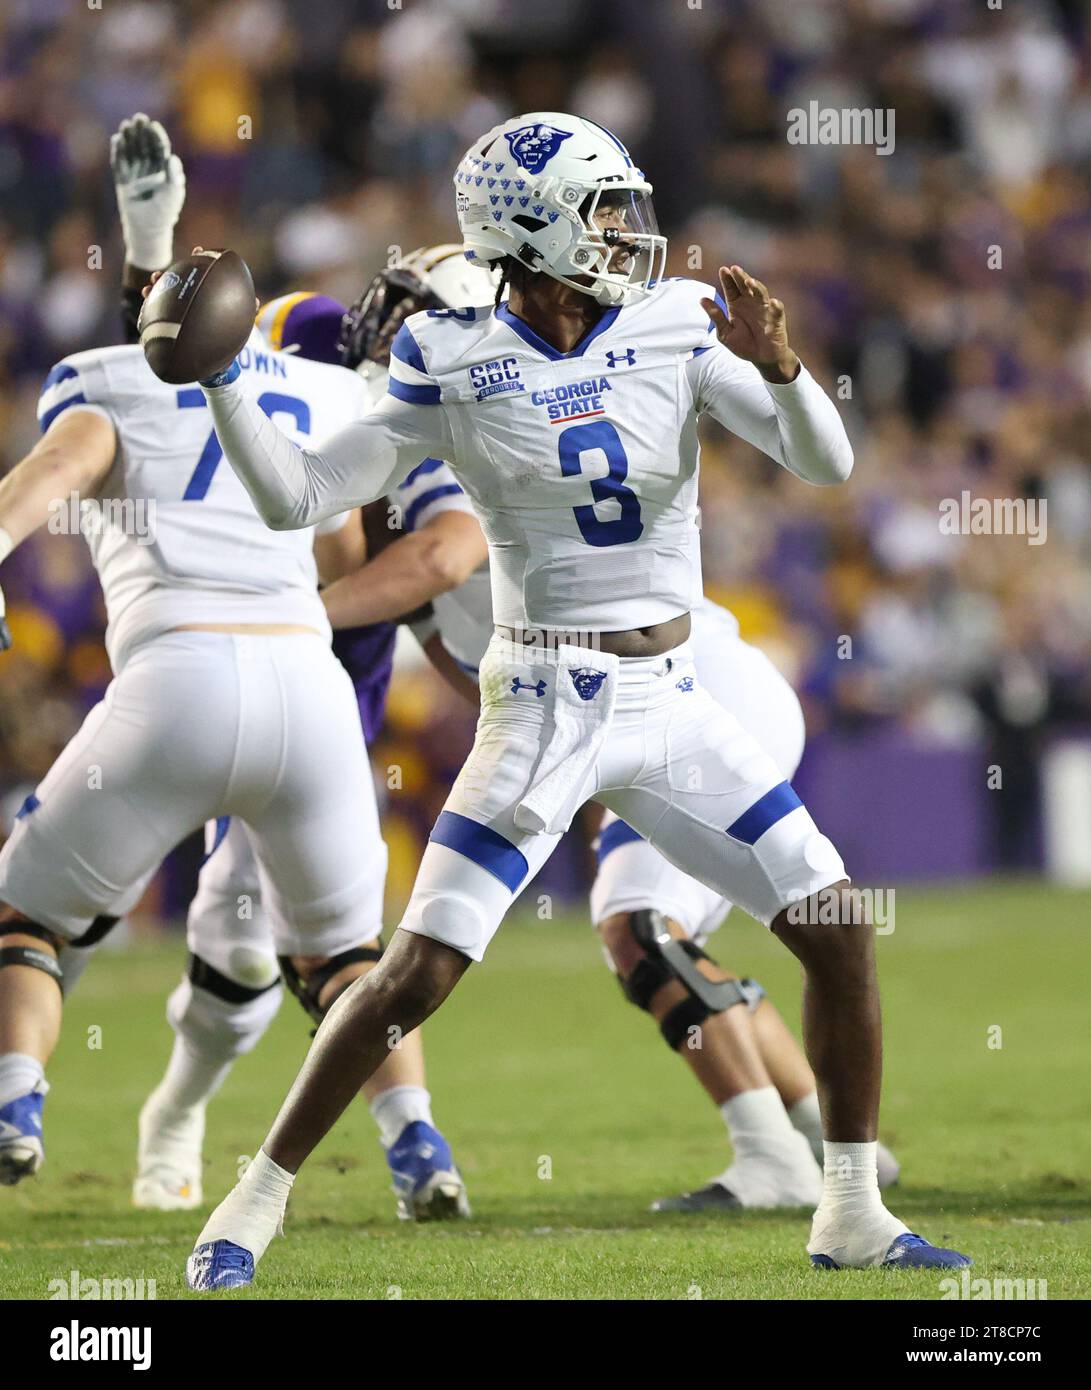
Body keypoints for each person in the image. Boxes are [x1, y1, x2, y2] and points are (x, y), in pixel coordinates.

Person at [184, 112, 970, 1287]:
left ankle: (847, 1209)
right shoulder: (448, 358)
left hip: (675, 692)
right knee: (419, 972)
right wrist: (222, 388)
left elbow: (824, 463)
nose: (624, 230)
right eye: (602, 209)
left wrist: (781, 367)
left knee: (837, 926)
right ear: (530, 227)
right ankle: (247, 1206)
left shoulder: (672, 322)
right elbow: (300, 498)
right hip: (546, 698)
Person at [0, 117, 466, 1222]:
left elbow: (51, 475)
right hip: (307, 690)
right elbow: (338, 554)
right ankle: (418, 1144)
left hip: (173, 685)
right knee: (350, 961)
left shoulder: (101, 378)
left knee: (28, 923)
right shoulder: (332, 392)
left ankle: (16, 1099)